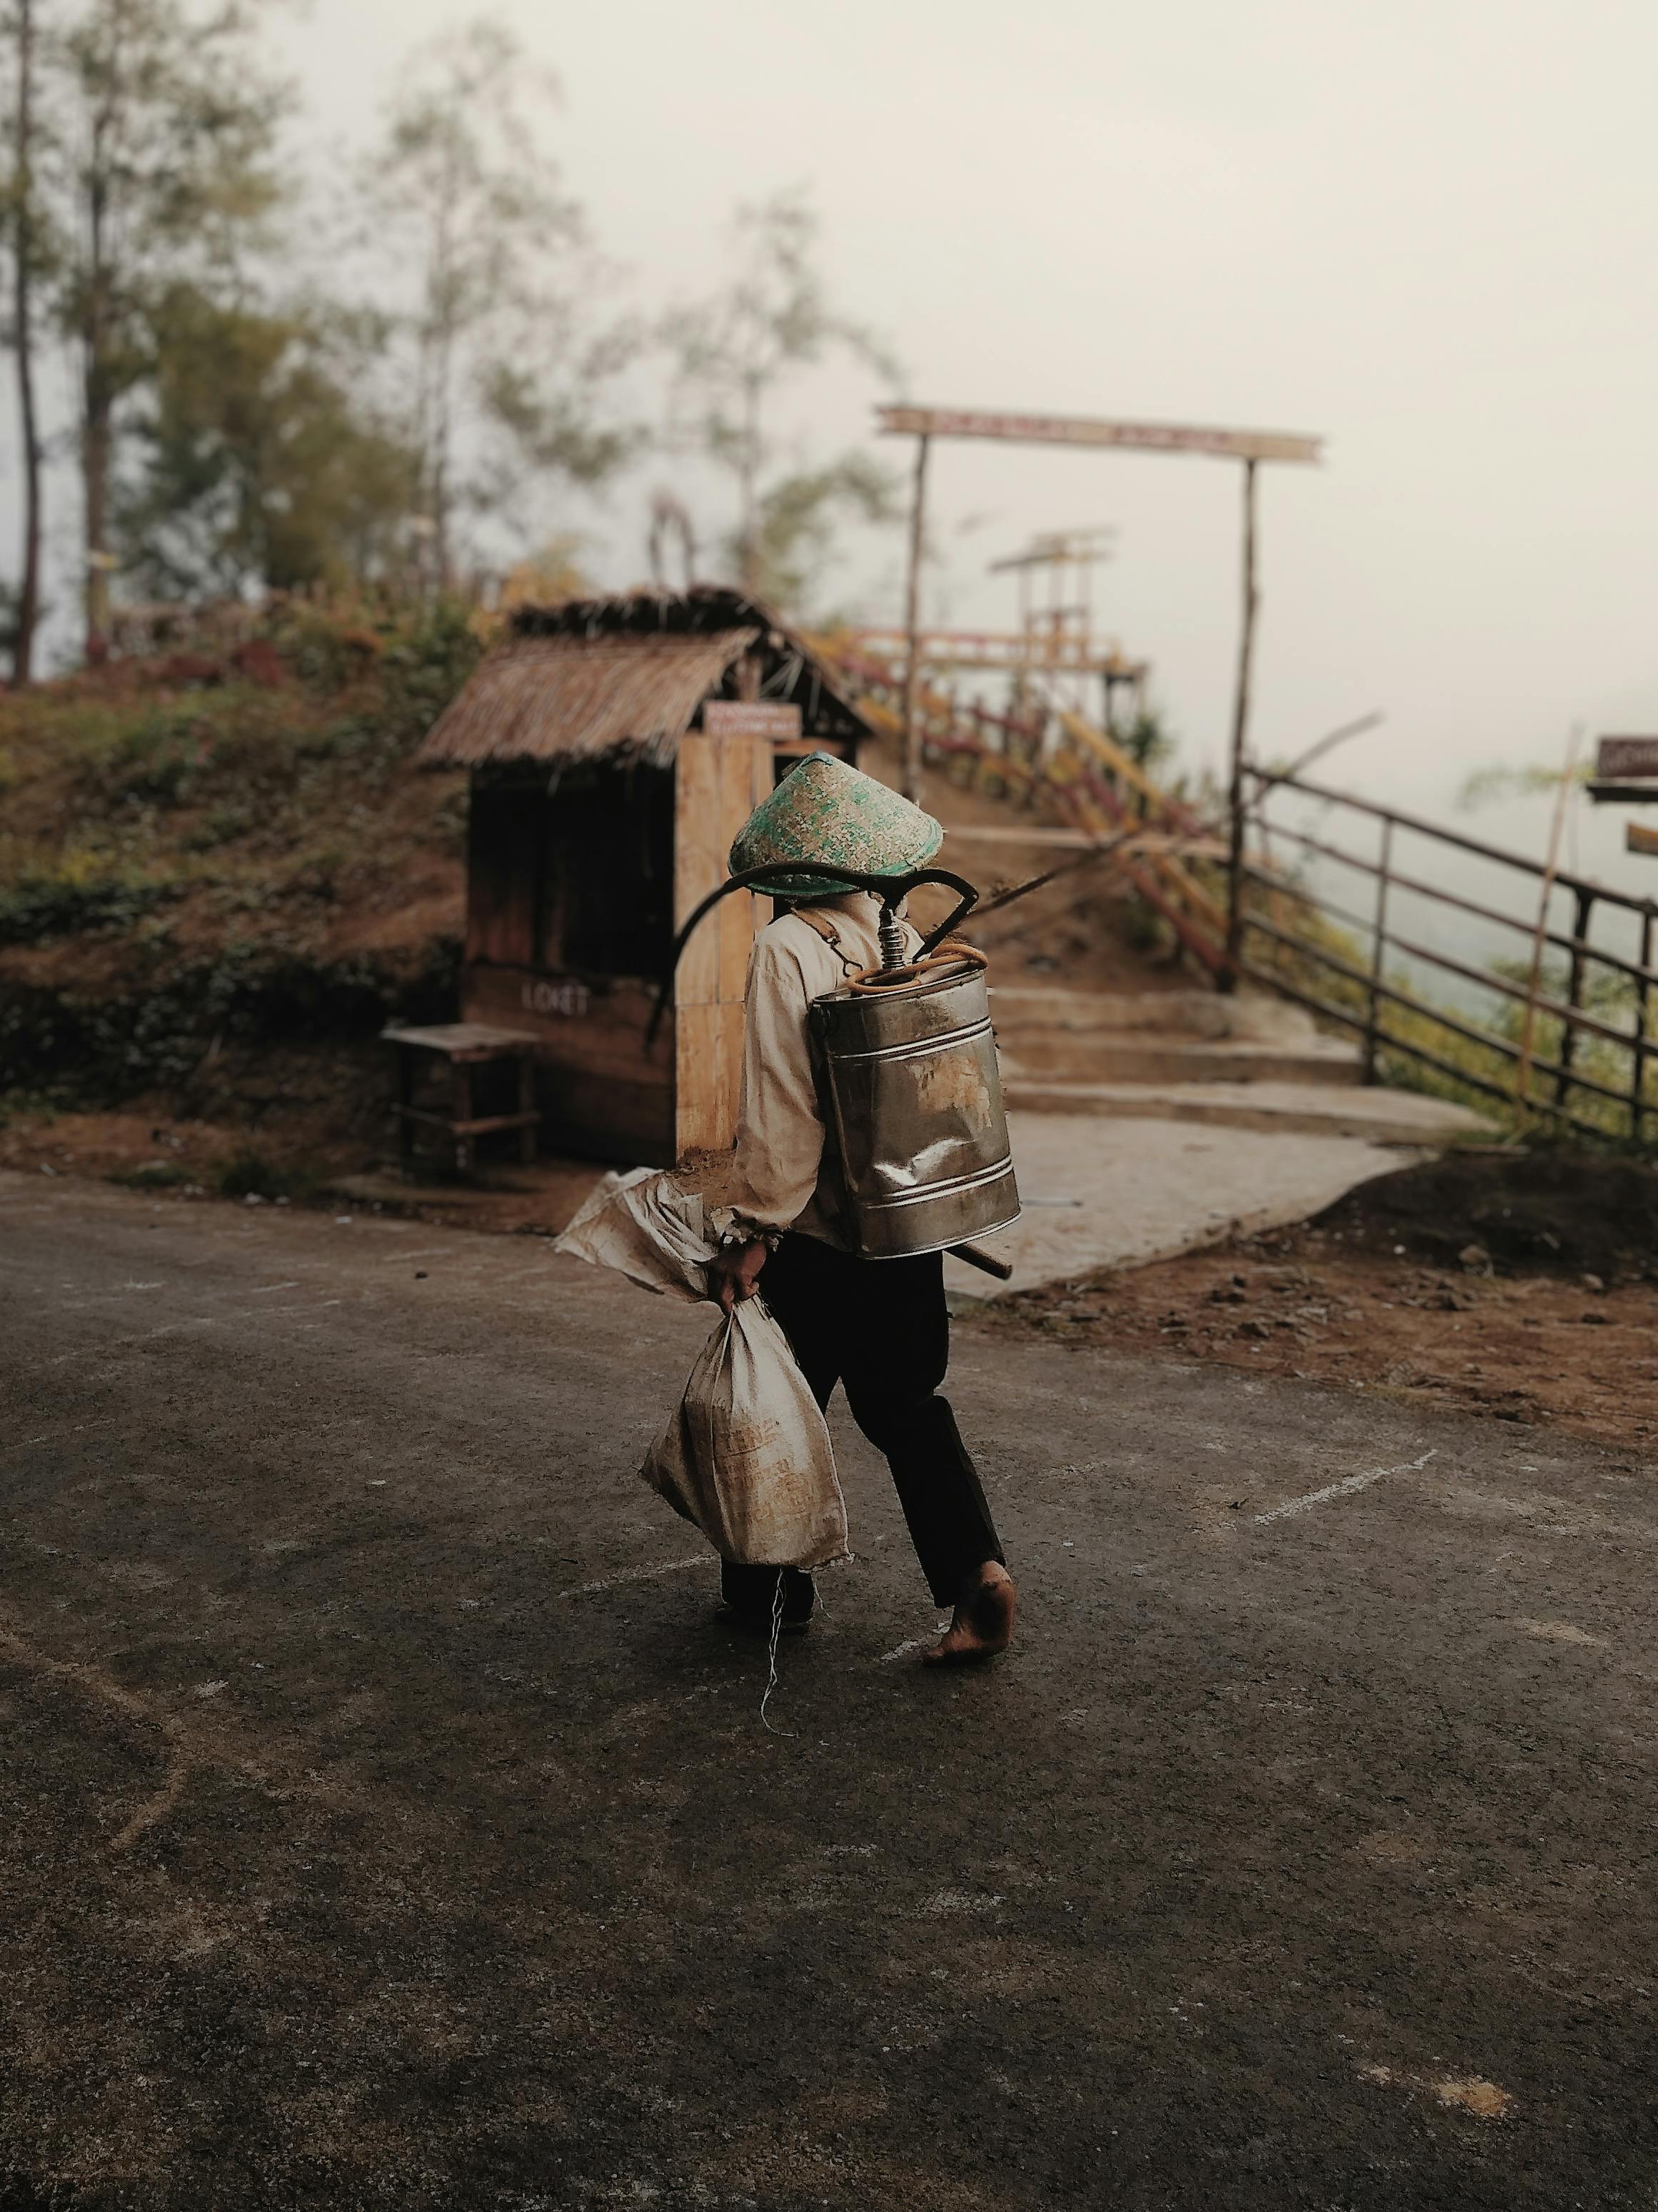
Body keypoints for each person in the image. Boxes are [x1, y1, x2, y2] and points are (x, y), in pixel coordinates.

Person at [705, 751, 1015, 1666]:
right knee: (909, 1405)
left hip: (820, 1236)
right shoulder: (901, 943)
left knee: (771, 1408)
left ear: (790, 869)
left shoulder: (787, 947)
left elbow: (784, 1110)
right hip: (906, 1227)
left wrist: (753, 1232)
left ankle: (767, 1599)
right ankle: (977, 1572)